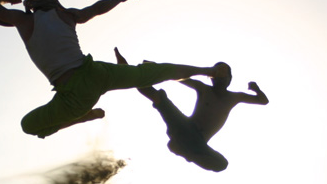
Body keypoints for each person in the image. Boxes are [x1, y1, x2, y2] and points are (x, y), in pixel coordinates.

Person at [0, 0, 226, 138]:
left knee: (29, 126)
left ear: (32, 6)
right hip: (97, 72)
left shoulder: (25, 20)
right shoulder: (67, 15)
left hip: (75, 94)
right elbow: (98, 7)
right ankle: (208, 71)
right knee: (154, 73)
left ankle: (85, 116)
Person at [113, 47, 269, 172]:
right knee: (158, 97)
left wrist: (256, 88)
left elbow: (263, 101)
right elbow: (178, 76)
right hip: (185, 126)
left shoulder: (235, 97)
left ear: (229, 79)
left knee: (222, 164)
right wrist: (156, 67)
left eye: (223, 74)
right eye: (216, 74)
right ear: (211, 77)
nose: (219, 77)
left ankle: (183, 150)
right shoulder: (203, 88)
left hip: (198, 143)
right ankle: (126, 71)